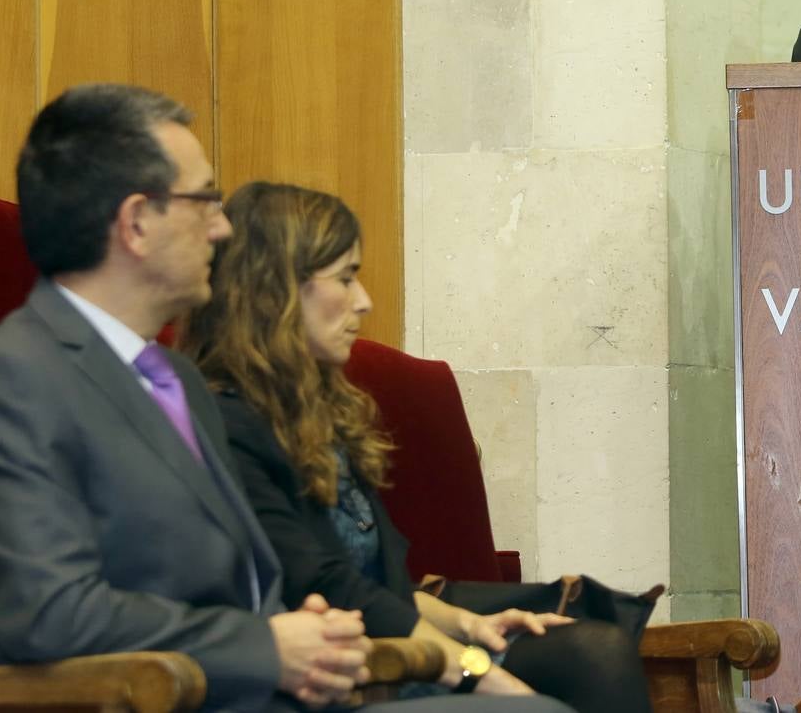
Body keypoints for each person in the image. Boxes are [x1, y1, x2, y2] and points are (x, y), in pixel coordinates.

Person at [0, 84, 573, 713]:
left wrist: (313, 636)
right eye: (204, 200)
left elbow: (248, 581)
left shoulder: (176, 383)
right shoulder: (13, 381)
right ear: (136, 223)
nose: (222, 227)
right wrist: (267, 644)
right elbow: (46, 615)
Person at [179, 182, 654, 713]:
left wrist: (469, 623)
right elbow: (327, 586)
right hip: (345, 670)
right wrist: (473, 668)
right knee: (569, 676)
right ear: (276, 293)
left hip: (400, 640)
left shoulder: (321, 413)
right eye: (344, 279)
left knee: (594, 650)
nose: (364, 301)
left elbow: (385, 583)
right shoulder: (224, 423)